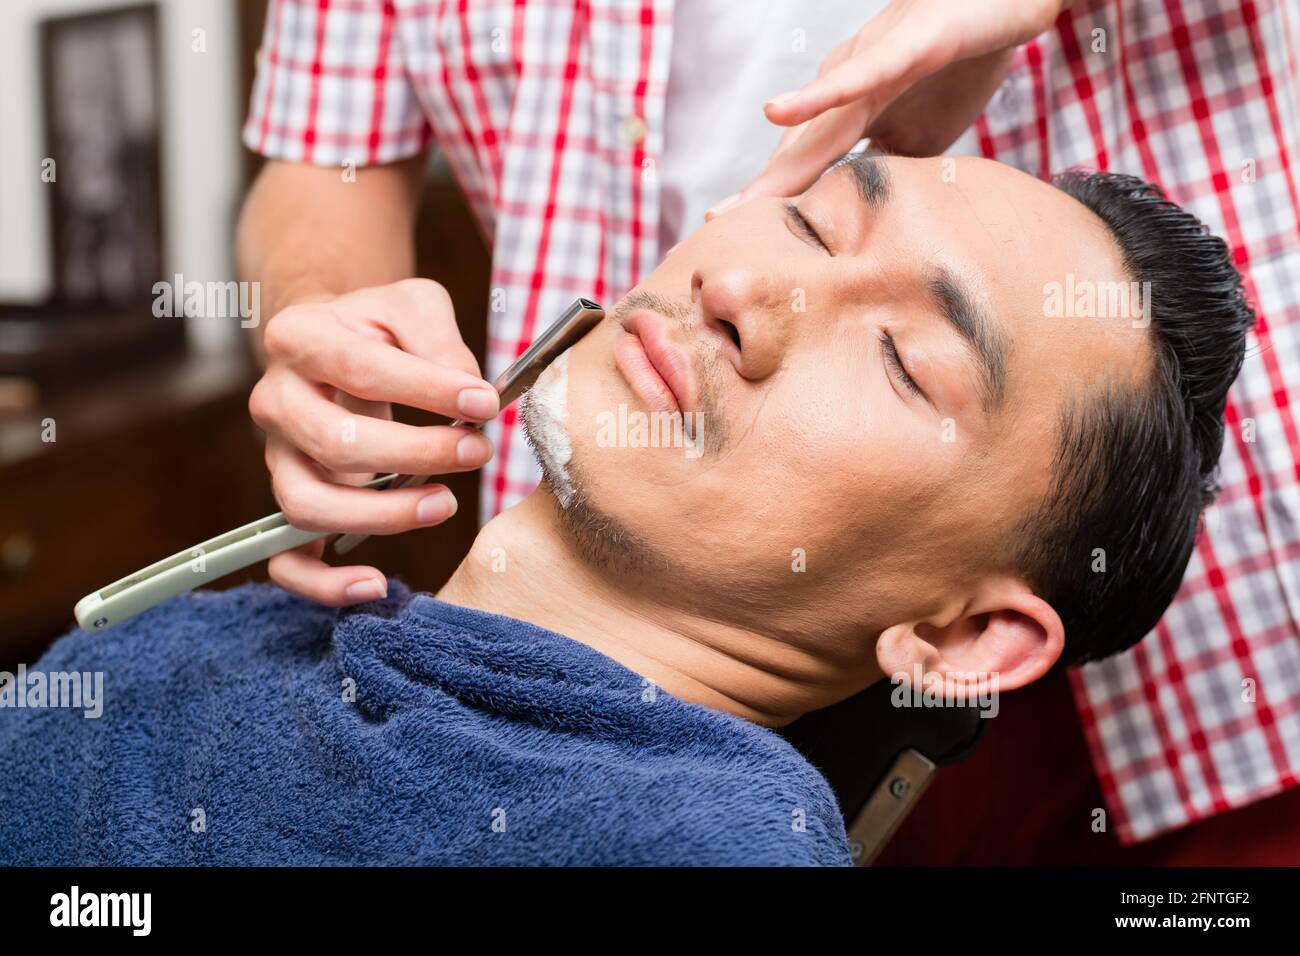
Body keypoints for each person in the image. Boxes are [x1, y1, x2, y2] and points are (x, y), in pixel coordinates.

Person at [0, 153, 1252, 865]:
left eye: (900, 359)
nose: (743, 287)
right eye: (813, 219)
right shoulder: (174, 652)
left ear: (966, 641)